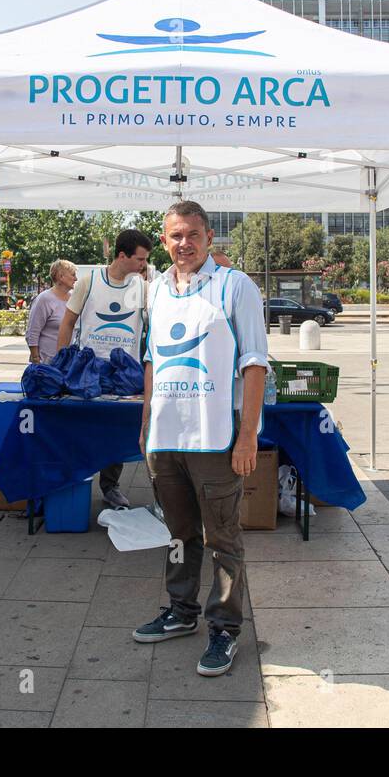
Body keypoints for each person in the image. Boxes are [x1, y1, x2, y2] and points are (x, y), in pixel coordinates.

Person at [132, 202, 267, 678]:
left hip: (215, 438)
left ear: (209, 237)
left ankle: (225, 629)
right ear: (163, 240)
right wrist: (147, 422)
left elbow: (254, 364)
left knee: (223, 539)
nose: (183, 243)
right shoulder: (156, 290)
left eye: (192, 234)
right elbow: (151, 359)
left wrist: (247, 436)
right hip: (166, 440)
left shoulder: (235, 286)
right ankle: (180, 611)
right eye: (174, 236)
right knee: (178, 533)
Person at [59, 229, 154, 509]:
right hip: (89, 371)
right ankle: (74, 482)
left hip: (126, 374)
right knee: (86, 429)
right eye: (140, 259)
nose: (143, 265)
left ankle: (110, 486)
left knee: (117, 432)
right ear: (122, 255)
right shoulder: (89, 282)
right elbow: (67, 323)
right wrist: (61, 364)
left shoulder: (143, 288)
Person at [26, 260, 76, 364]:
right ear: (61, 277)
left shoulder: (73, 298)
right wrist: (36, 359)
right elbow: (32, 332)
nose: (76, 278)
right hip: (47, 362)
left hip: (68, 362)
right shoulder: (44, 299)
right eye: (73, 275)